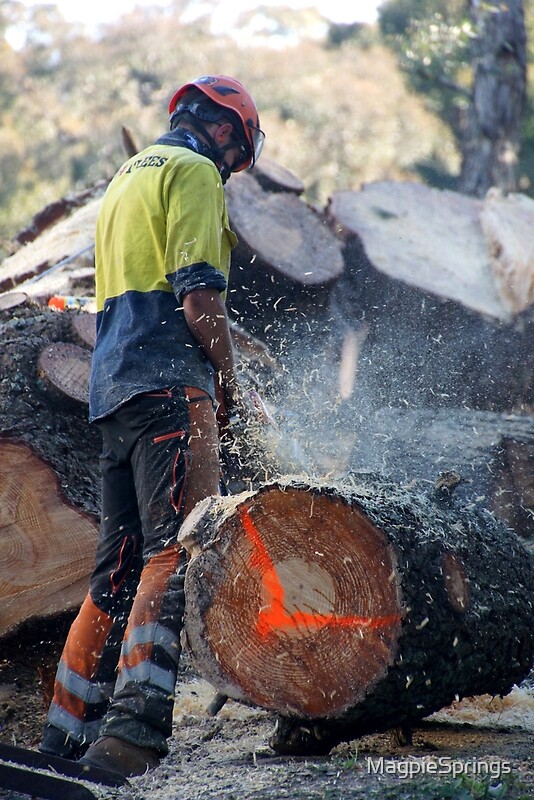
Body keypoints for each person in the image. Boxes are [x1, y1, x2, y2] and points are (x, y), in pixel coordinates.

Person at [39, 74, 265, 779]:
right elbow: (199, 300)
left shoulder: (127, 177)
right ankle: (132, 734)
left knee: (116, 568)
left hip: (113, 387)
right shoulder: (197, 172)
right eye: (238, 153)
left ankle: (64, 732)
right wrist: (231, 383)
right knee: (175, 551)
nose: (231, 166)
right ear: (228, 133)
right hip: (170, 381)